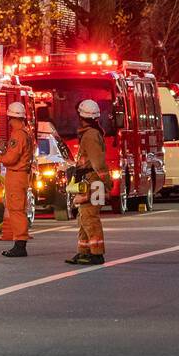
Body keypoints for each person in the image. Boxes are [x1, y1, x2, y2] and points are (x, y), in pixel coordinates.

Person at [66, 99, 110, 265]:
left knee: (90, 218)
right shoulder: (91, 133)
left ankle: (97, 253)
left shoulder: (90, 135)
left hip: (93, 181)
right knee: (85, 217)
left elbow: (98, 163)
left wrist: (106, 182)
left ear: (81, 116)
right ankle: (84, 252)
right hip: (90, 180)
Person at [0, 101, 35, 257]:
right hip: (22, 175)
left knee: (16, 210)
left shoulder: (18, 134)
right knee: (19, 209)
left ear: (12, 118)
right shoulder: (26, 133)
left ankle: (20, 244)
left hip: (16, 174)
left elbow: (11, 158)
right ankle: (20, 243)